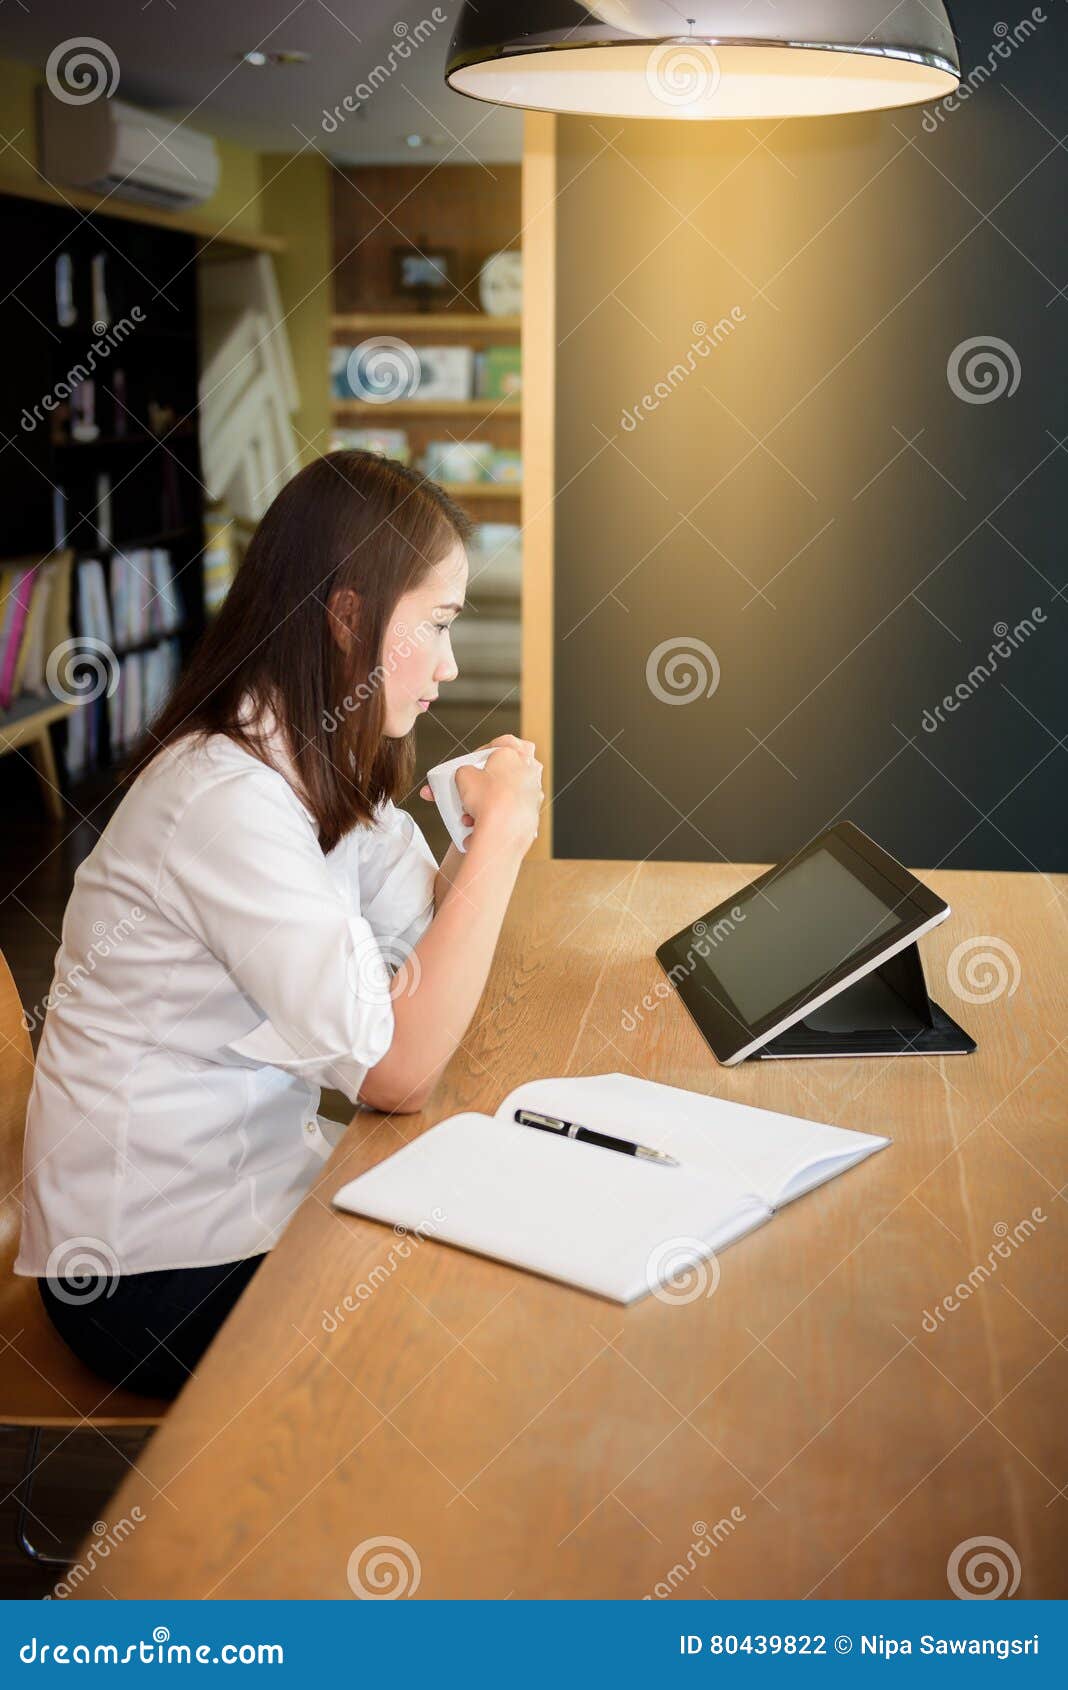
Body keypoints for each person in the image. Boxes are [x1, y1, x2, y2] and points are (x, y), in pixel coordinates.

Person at [14, 450, 543, 1399]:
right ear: (347, 617)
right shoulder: (226, 797)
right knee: (469, 1319)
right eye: (438, 625)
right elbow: (395, 1073)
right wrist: (501, 837)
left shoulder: (313, 756)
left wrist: (468, 842)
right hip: (147, 1270)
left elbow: (423, 925)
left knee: (495, 1255)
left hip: (247, 1194)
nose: (451, 665)